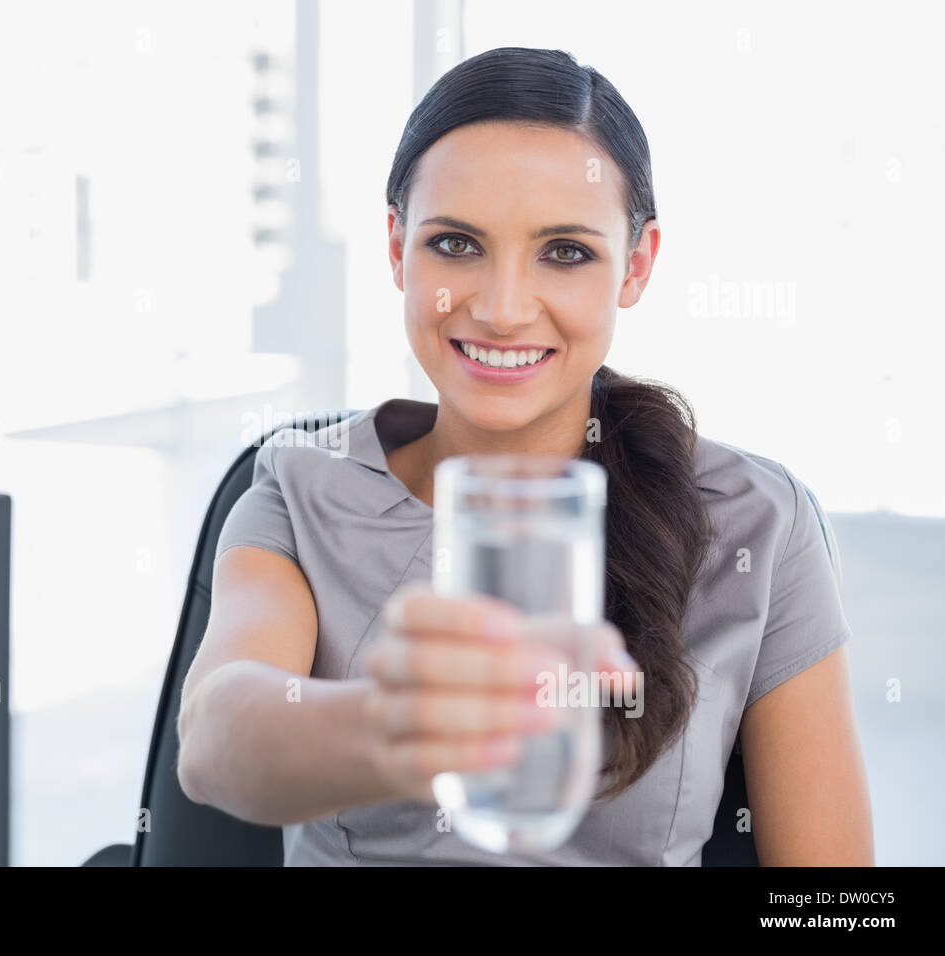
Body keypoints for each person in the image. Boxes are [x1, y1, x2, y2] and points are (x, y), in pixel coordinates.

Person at [175, 46, 874, 866]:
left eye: (566, 252)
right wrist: (396, 728)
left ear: (636, 265)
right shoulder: (302, 488)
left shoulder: (758, 520)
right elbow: (216, 736)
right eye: (456, 244)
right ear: (398, 249)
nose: (503, 309)